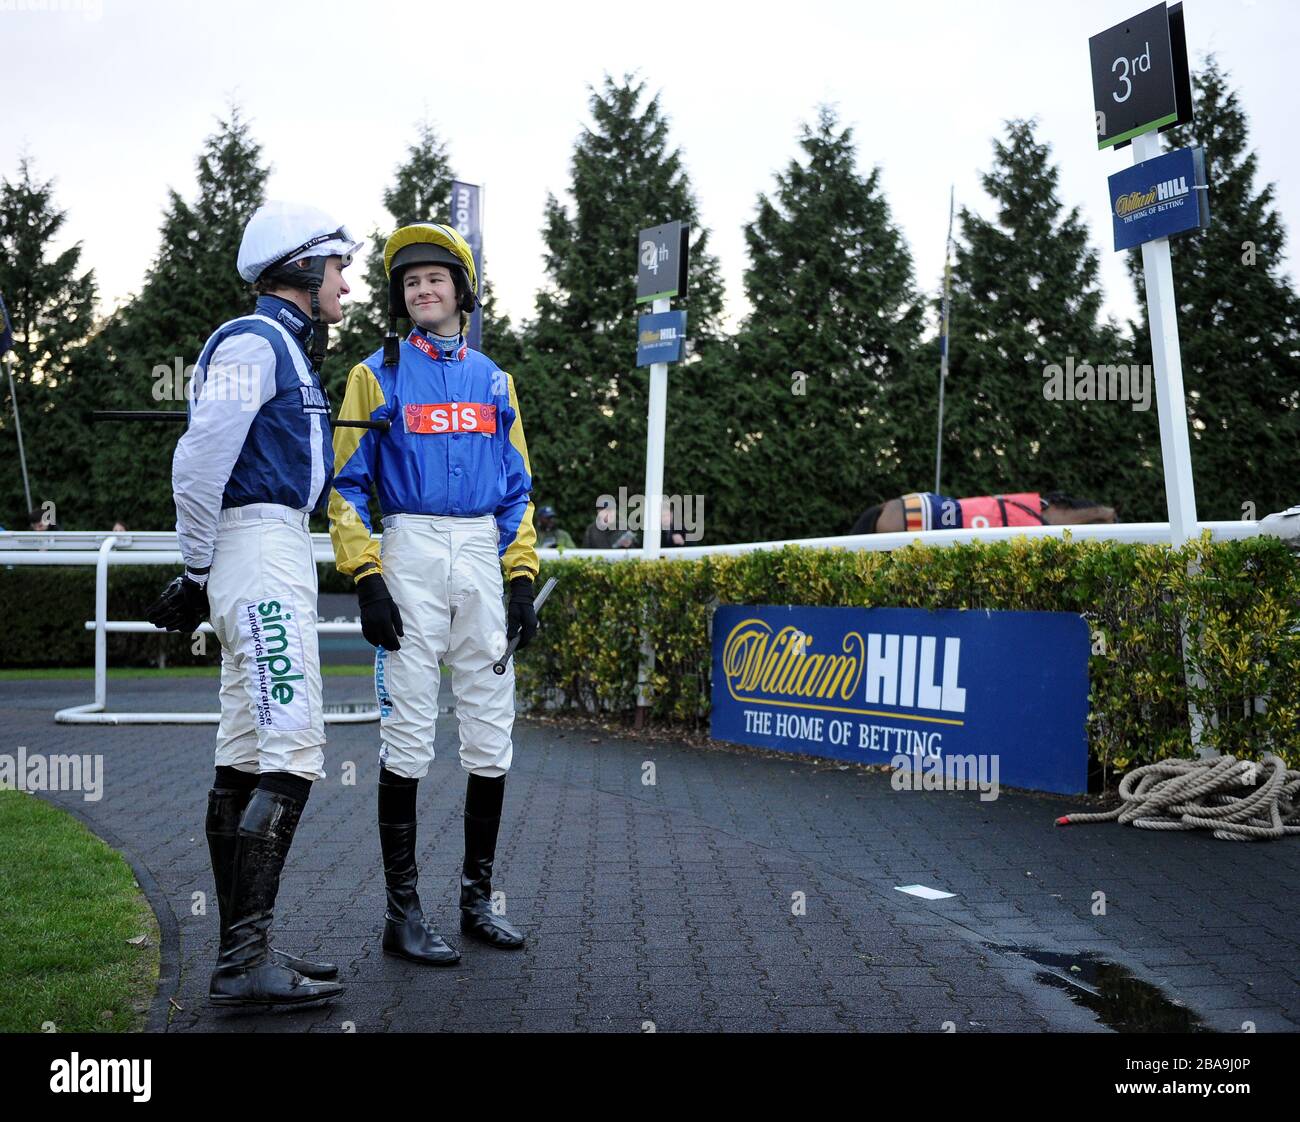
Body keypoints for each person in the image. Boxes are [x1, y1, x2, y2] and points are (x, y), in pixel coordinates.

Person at [147, 201, 360, 1007]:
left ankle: (250, 950)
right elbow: (198, 462)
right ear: (303, 268)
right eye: (337, 265)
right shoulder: (253, 339)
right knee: (294, 748)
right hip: (258, 553)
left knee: (242, 750)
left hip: (264, 551)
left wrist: (205, 573)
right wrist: (198, 568)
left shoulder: (281, 348)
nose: (346, 281)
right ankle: (243, 960)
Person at [329, 222, 538, 966]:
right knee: (409, 737)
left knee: (490, 733)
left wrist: (521, 579)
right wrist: (368, 576)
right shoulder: (373, 373)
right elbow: (347, 487)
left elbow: (517, 492)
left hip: (482, 549)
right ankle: (402, 913)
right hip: (410, 548)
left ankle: (478, 900)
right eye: (410, 281)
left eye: (435, 279)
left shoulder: (494, 379)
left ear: (462, 291)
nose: (422, 289)